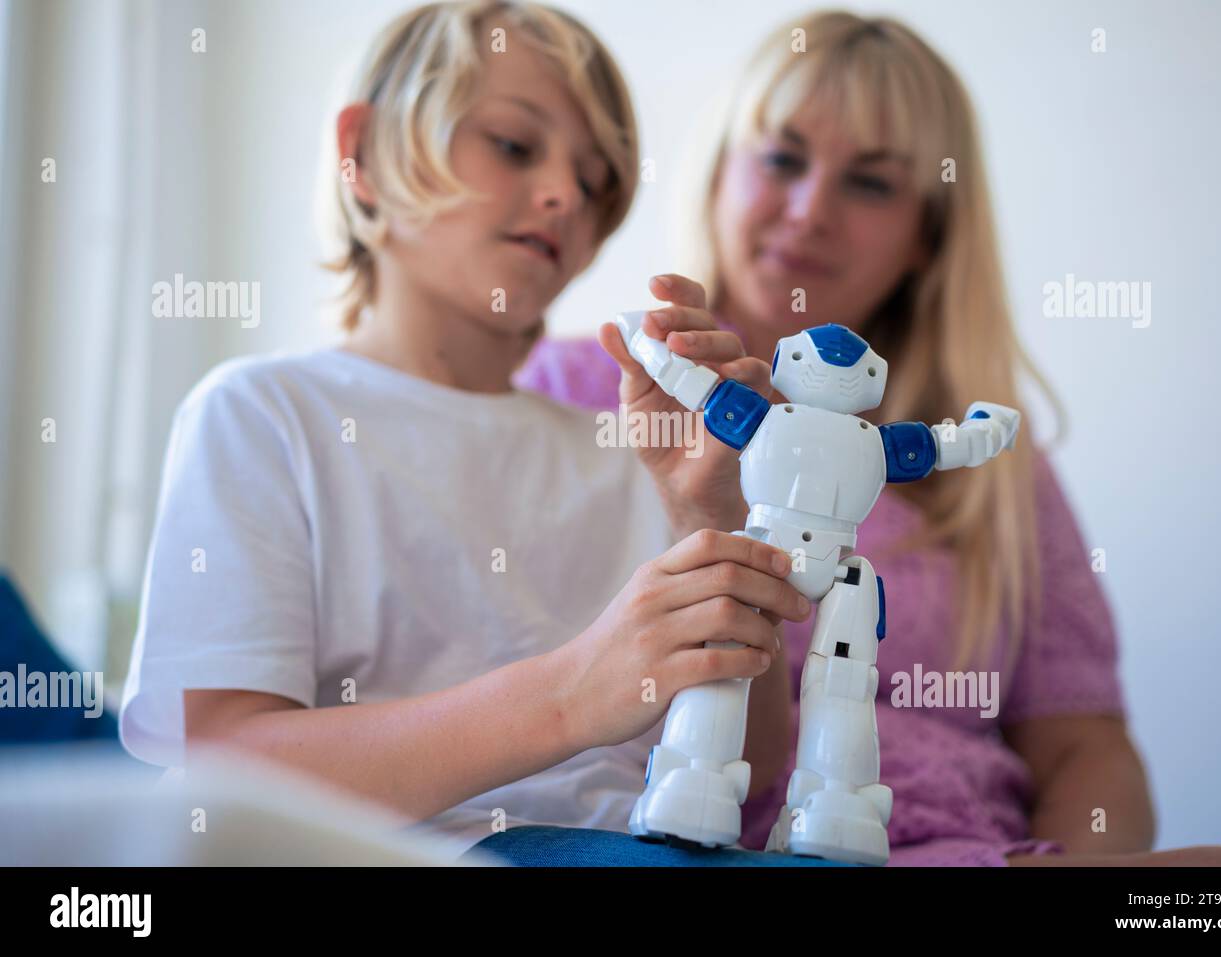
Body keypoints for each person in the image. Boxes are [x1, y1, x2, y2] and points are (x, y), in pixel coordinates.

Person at [516, 11, 1221, 866]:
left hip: (970, 852)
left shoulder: (995, 478)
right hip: (695, 840)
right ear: (722, 169)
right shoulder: (575, 392)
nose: (810, 211)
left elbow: (1083, 744)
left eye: (871, 183)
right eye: (782, 158)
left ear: (929, 235)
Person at [117, 0, 812, 862]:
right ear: (361, 156)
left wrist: (711, 520)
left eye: (597, 182)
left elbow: (756, 773)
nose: (565, 196)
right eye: (515, 145)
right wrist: (569, 695)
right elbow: (225, 765)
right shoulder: (263, 414)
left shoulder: (631, 460)